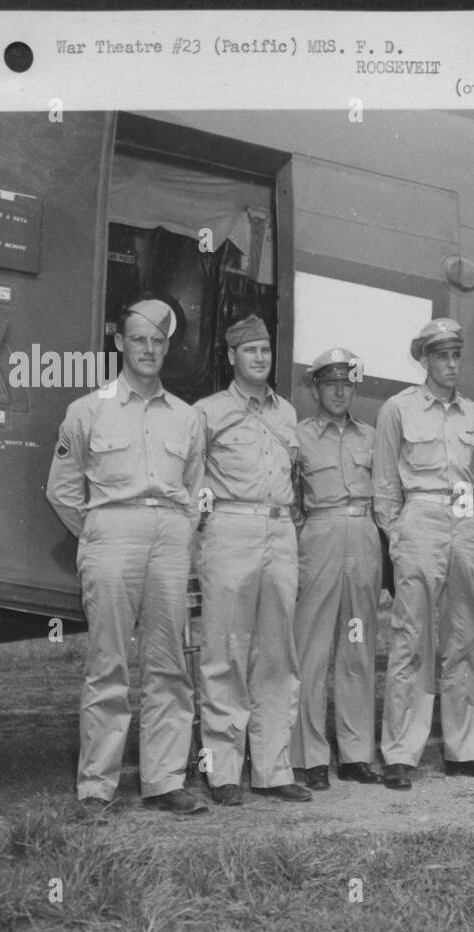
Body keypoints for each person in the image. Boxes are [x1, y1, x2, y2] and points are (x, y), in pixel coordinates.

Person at [45, 298, 206, 816]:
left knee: (169, 664)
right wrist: (98, 532)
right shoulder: (87, 410)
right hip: (111, 535)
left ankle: (164, 781)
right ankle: (97, 786)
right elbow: (62, 491)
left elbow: (195, 488)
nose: (150, 349)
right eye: (139, 339)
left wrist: (179, 532)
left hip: (170, 540)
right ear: (119, 342)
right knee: (108, 664)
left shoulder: (186, 417)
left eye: (159, 341)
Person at [191, 314, 312, 806]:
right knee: (224, 651)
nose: (260, 357)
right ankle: (221, 772)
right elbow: (192, 481)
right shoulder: (208, 412)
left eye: (265, 349)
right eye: (249, 351)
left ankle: (272, 768)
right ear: (230, 357)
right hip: (229, 528)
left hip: (280, 531)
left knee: (277, 652)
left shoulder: (286, 413)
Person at [372, 318, 474, 790]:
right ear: (423, 359)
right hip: (419, 520)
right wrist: (398, 534)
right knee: (412, 638)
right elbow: (385, 487)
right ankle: (401, 753)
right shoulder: (397, 409)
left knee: (466, 637)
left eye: (456, 355)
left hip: (463, 523)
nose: (450, 364)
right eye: (440, 355)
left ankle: (464, 749)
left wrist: (468, 531)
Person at [291, 347, 384, 789]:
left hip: (362, 539)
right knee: (311, 651)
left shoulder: (371, 436)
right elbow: (290, 500)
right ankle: (308, 757)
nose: (339, 392)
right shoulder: (299, 437)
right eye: (331, 384)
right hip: (321, 537)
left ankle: (355, 753)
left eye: (346, 384)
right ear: (316, 389)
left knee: (357, 646)